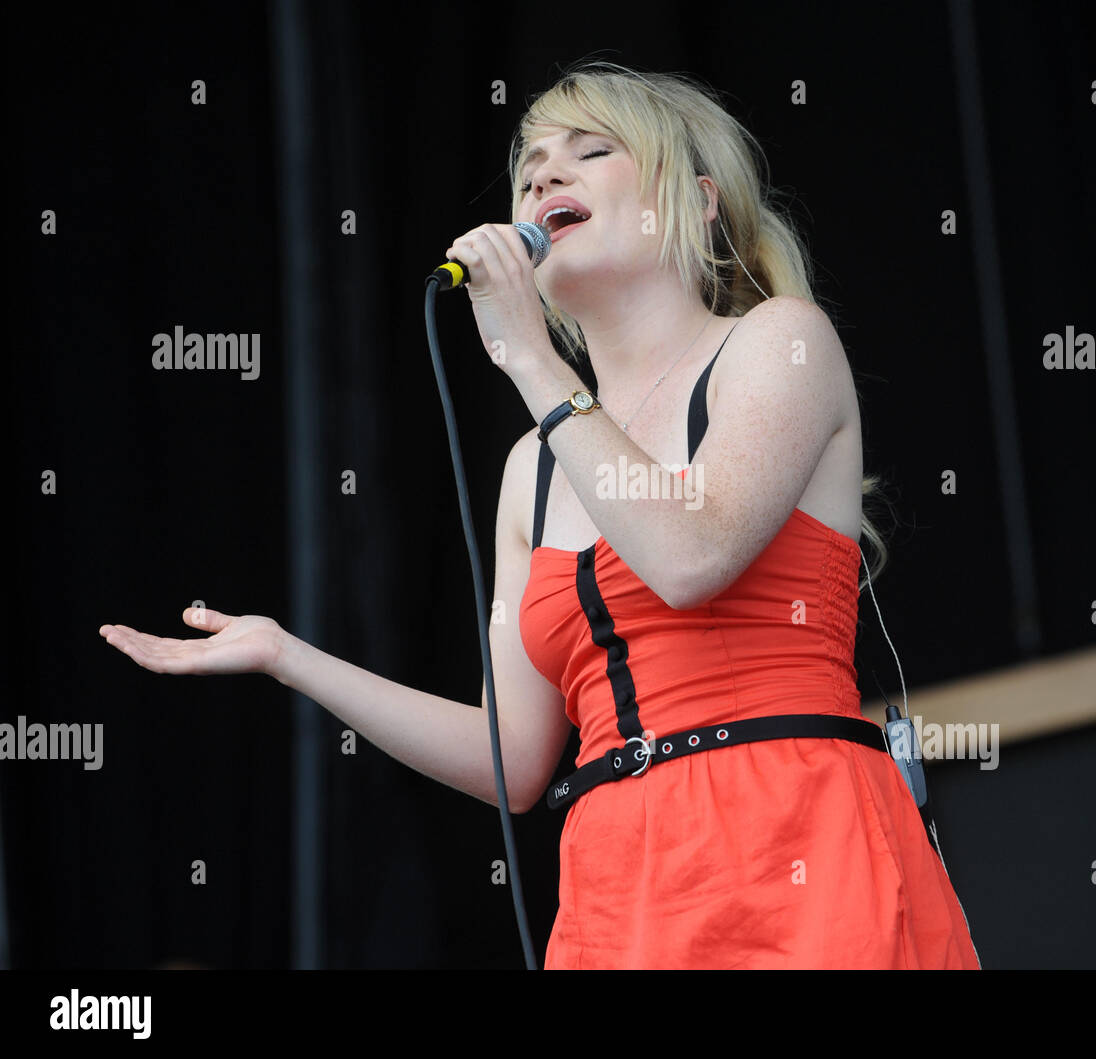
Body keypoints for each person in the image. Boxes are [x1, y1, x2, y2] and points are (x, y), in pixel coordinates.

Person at [100, 60, 980, 970]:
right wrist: (287, 654)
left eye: (590, 151)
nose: (543, 176)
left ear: (701, 202)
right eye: (530, 166)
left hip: (792, 837)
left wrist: (529, 359)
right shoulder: (534, 469)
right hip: (618, 884)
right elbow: (515, 759)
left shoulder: (780, 340)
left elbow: (691, 553)